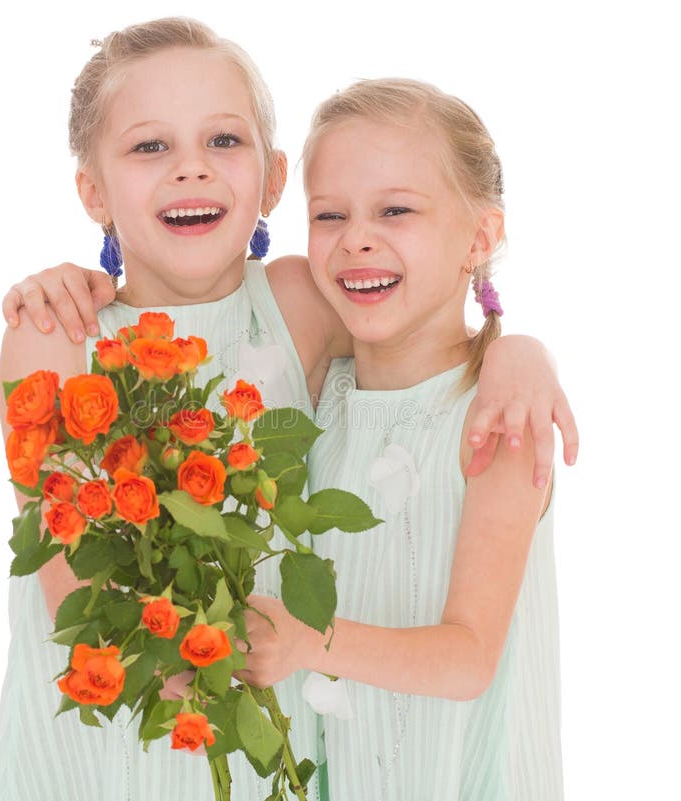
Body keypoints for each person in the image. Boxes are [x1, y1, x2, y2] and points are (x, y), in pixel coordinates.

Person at [0, 17, 576, 801]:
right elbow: (74, 591)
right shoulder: (53, 341)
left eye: (223, 142)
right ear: (93, 191)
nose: (191, 170)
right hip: (110, 754)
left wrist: (521, 352)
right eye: (149, 147)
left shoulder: (302, 301)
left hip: (277, 742)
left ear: (271, 180)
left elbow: (433, 326)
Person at [239, 79, 564, 800]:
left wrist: (303, 640)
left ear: (479, 239)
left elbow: (469, 657)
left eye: (396, 209)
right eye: (330, 214)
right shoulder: (319, 401)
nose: (357, 236)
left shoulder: (499, 422)